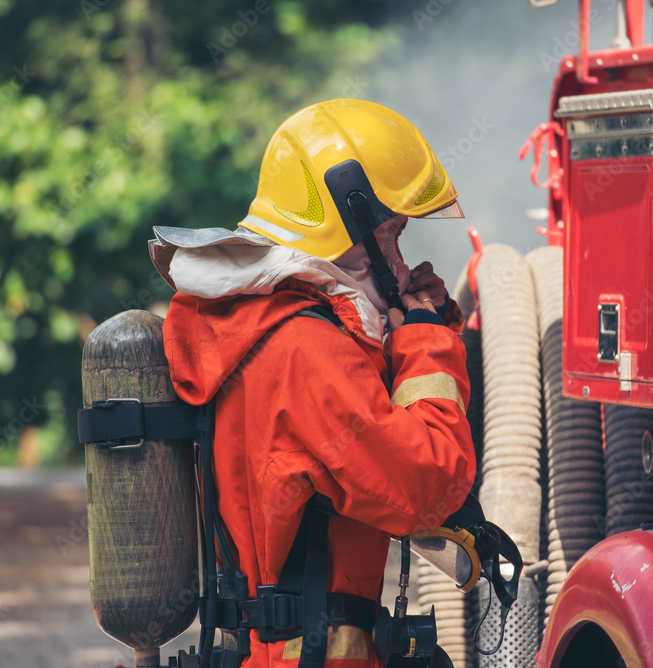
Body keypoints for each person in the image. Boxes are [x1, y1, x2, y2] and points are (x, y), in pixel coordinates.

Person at [151, 98, 476, 668]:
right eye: (393, 238)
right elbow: (430, 487)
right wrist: (428, 342)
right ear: (348, 228)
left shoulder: (254, 322)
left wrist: (419, 329)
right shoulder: (307, 351)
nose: (404, 267)